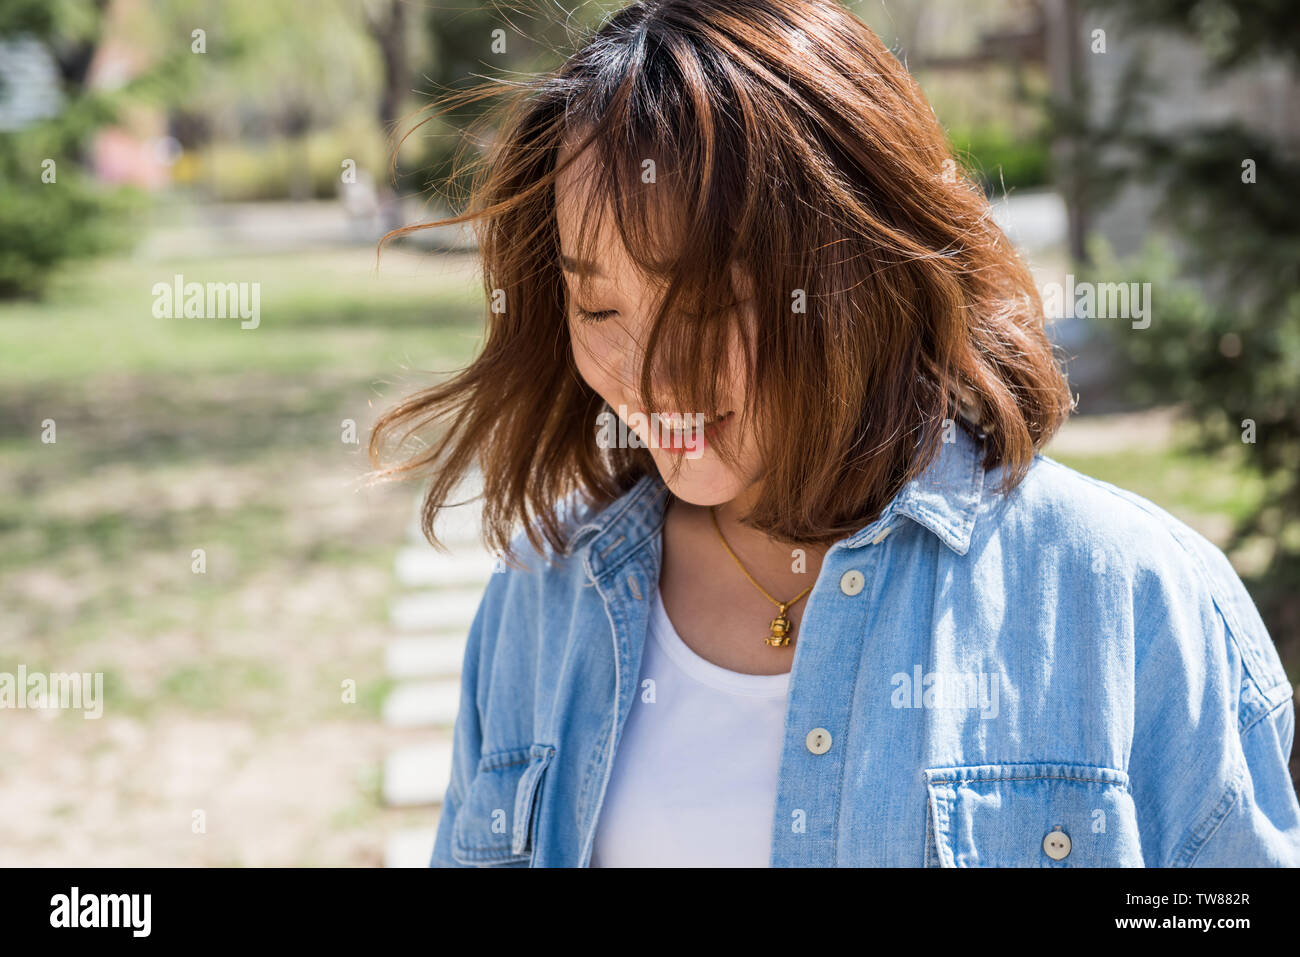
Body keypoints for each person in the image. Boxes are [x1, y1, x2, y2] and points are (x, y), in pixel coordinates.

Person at [369, 0, 1300, 866]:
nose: (650, 378)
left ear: (864, 267)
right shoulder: (542, 600)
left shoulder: (1134, 602)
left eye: (708, 305)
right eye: (599, 303)